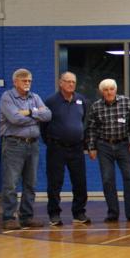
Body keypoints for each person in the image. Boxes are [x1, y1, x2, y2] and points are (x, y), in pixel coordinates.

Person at [0, 68, 52, 229]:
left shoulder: (35, 97)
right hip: (14, 144)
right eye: (24, 81)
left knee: (31, 183)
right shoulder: (7, 97)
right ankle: (9, 218)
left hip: (33, 144)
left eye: (29, 80)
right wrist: (36, 116)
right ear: (15, 82)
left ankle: (26, 217)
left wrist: (28, 112)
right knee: (11, 184)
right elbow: (14, 119)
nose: (27, 83)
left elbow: (48, 115)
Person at [85, 79, 130, 223]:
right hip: (104, 146)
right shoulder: (96, 107)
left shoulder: (126, 102)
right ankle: (113, 213)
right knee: (108, 180)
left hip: (123, 145)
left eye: (111, 89)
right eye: (106, 90)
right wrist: (91, 147)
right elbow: (91, 129)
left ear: (116, 90)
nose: (109, 92)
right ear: (101, 92)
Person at [42, 71, 90, 226]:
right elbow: (43, 125)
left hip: (76, 148)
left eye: (73, 82)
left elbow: (85, 121)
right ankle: (54, 214)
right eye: (68, 81)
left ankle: (79, 212)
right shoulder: (50, 101)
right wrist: (50, 141)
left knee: (80, 181)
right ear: (60, 83)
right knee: (55, 182)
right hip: (56, 148)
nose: (71, 84)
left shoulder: (81, 100)